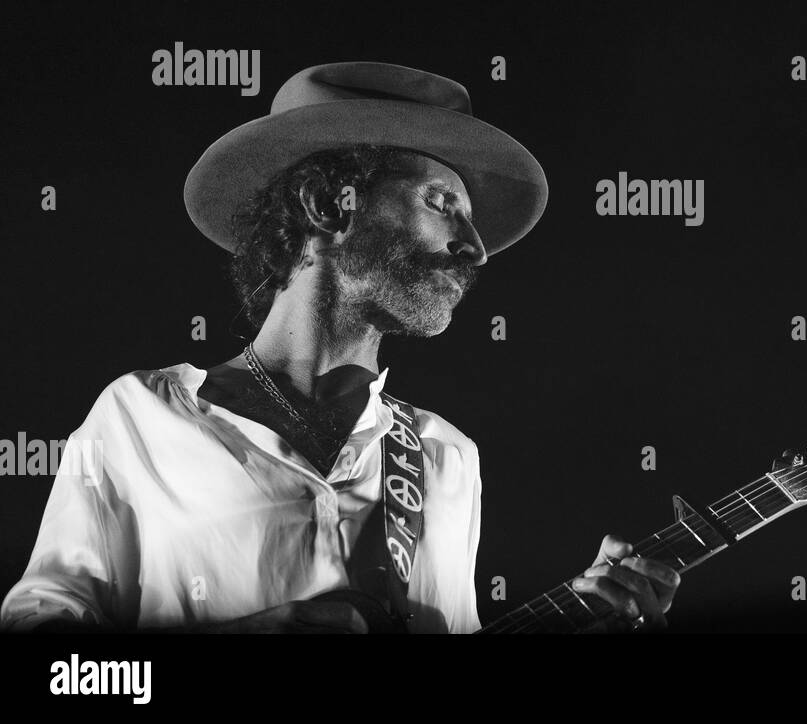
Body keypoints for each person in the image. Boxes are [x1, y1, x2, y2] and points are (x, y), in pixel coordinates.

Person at [1, 61, 680, 634]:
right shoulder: (137, 418)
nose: (474, 248)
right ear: (329, 203)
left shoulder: (448, 458)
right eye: (444, 201)